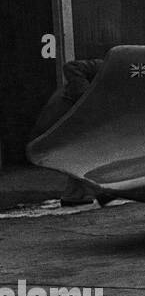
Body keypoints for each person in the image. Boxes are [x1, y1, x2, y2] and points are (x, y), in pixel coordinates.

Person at [30, 59, 107, 206]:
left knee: (86, 152)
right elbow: (71, 66)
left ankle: (77, 195)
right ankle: (93, 193)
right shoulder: (109, 65)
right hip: (62, 117)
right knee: (87, 150)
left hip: (72, 120)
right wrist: (88, 100)